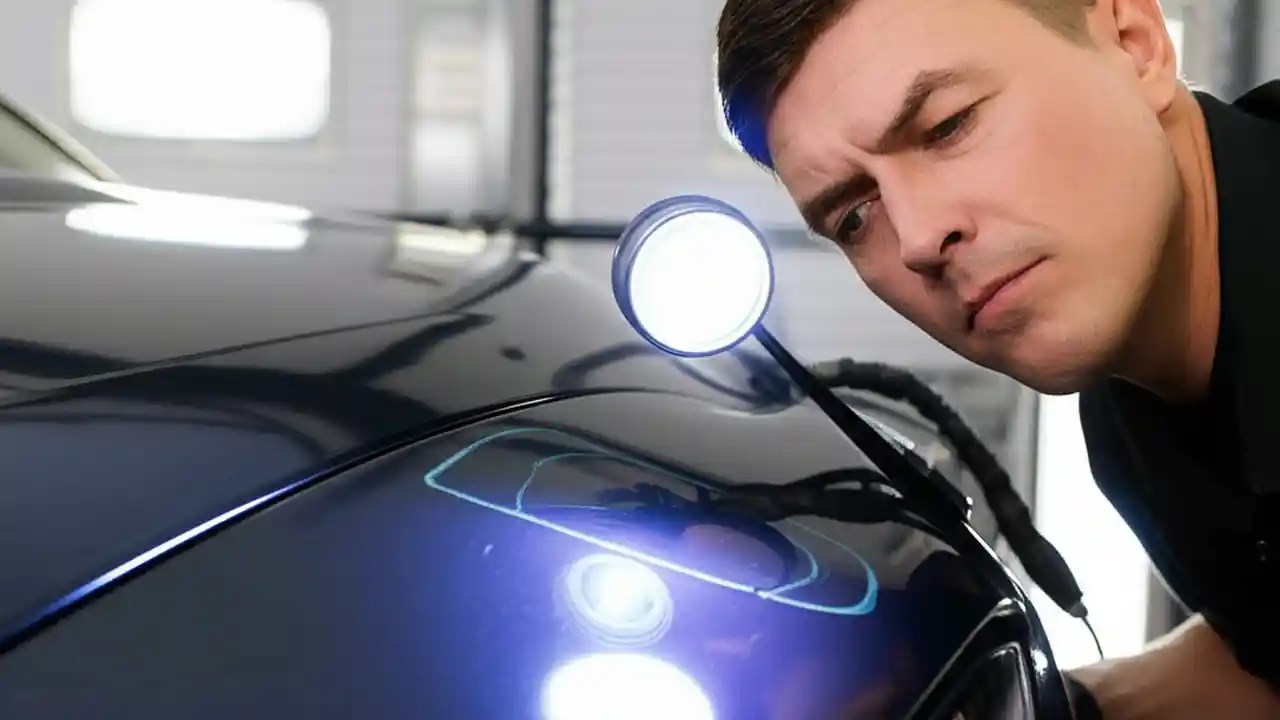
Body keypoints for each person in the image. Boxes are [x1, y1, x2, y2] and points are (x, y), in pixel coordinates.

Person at [714, 0, 1280, 717]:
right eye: (855, 215)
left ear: (1135, 44)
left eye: (949, 125)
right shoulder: (1125, 426)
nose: (918, 238)